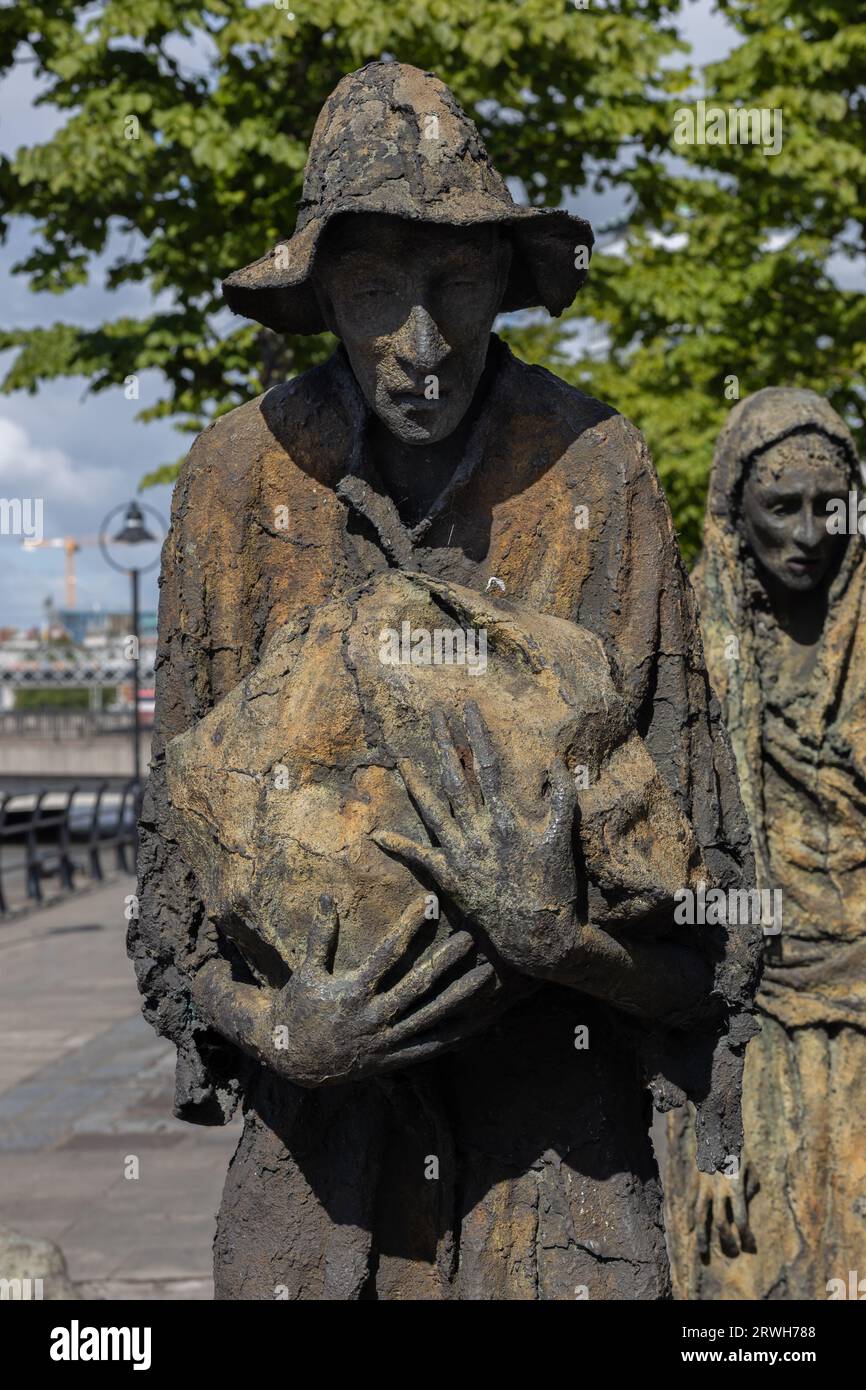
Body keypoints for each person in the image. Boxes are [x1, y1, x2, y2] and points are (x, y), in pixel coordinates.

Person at [130, 60, 760, 1300]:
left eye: (457, 282)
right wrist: (279, 1035)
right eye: (373, 290)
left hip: (556, 1184)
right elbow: (174, 903)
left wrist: (566, 943)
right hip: (317, 1191)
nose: (420, 346)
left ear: (502, 278)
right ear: (324, 298)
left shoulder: (596, 476)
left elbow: (719, 923)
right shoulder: (234, 490)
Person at [664, 387, 866, 1300]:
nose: (810, 532)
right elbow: (674, 872)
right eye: (782, 506)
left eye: (831, 505)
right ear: (735, 508)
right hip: (745, 1015)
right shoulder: (689, 651)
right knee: (743, 1281)